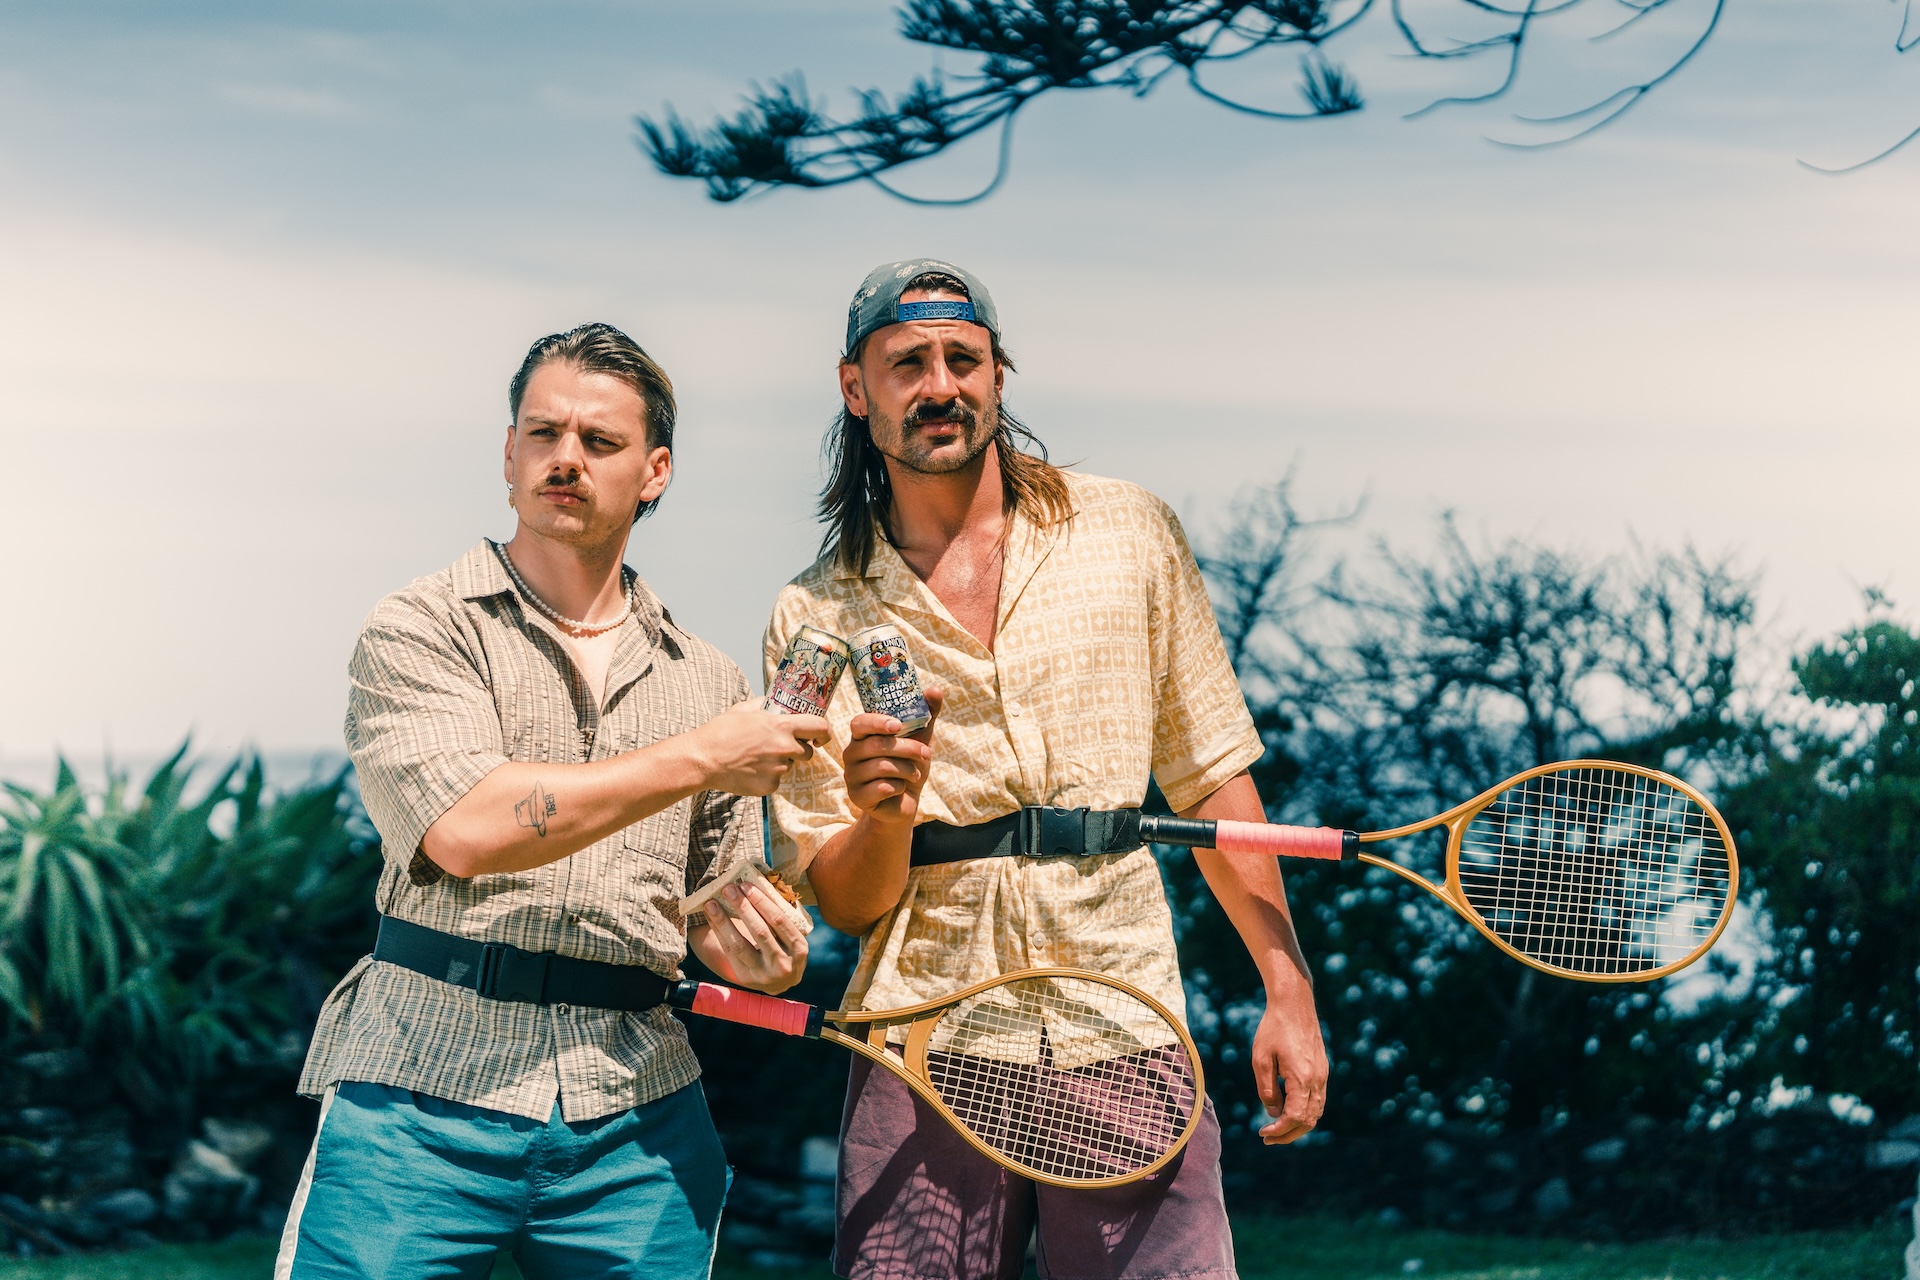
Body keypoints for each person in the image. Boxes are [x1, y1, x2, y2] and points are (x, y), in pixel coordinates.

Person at [765, 260, 1330, 1280]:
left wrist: (1287, 987)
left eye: (963, 358)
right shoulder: (814, 613)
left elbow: (1212, 777)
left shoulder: (1128, 530)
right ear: (856, 388)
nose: (940, 384)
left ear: (999, 374)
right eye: (907, 363)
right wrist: (883, 813)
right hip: (918, 1040)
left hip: (1123, 1013)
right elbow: (844, 901)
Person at [277, 323, 828, 1280]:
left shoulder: (709, 680)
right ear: (509, 454)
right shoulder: (422, 627)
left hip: (636, 1122)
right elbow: (466, 829)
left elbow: (714, 915)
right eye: (543, 433)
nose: (565, 458)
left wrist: (759, 954)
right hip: (417, 1092)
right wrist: (699, 755)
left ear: (655, 472)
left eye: (600, 441)